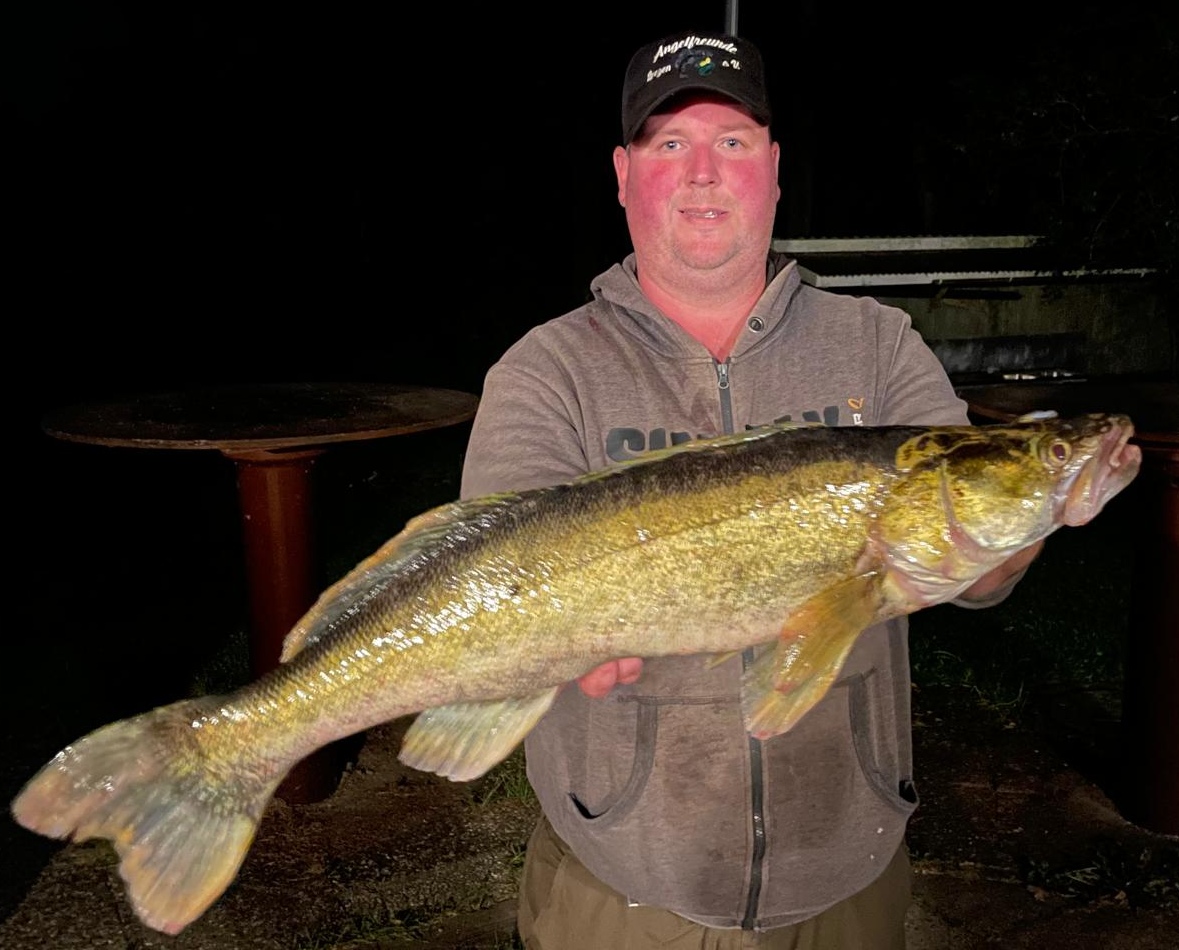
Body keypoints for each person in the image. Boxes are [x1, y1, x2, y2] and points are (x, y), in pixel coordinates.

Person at [459, 28, 1042, 950]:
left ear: (773, 170)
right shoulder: (545, 371)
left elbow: (980, 570)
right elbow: (485, 574)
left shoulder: (878, 345)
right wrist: (546, 652)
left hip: (844, 874)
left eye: (731, 142)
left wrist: (1020, 522)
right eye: (668, 143)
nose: (701, 173)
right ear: (621, 174)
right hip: (620, 887)